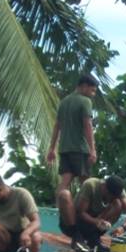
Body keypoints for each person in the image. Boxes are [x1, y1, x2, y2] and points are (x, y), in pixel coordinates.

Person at [47, 74, 99, 212]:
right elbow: (88, 125)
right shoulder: (85, 101)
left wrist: (52, 148)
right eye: (92, 90)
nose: (93, 94)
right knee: (86, 182)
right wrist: (92, 149)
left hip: (64, 149)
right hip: (80, 148)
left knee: (65, 181)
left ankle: (59, 210)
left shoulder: (64, 102)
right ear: (84, 86)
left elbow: (57, 126)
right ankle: (86, 212)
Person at [60, 175, 126, 252]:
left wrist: (123, 228)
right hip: (74, 224)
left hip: (91, 227)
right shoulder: (90, 185)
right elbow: (80, 213)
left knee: (118, 204)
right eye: (110, 195)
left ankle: (94, 239)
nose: (110, 199)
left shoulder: (119, 191)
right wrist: (97, 221)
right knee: (64, 194)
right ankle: (77, 237)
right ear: (104, 187)